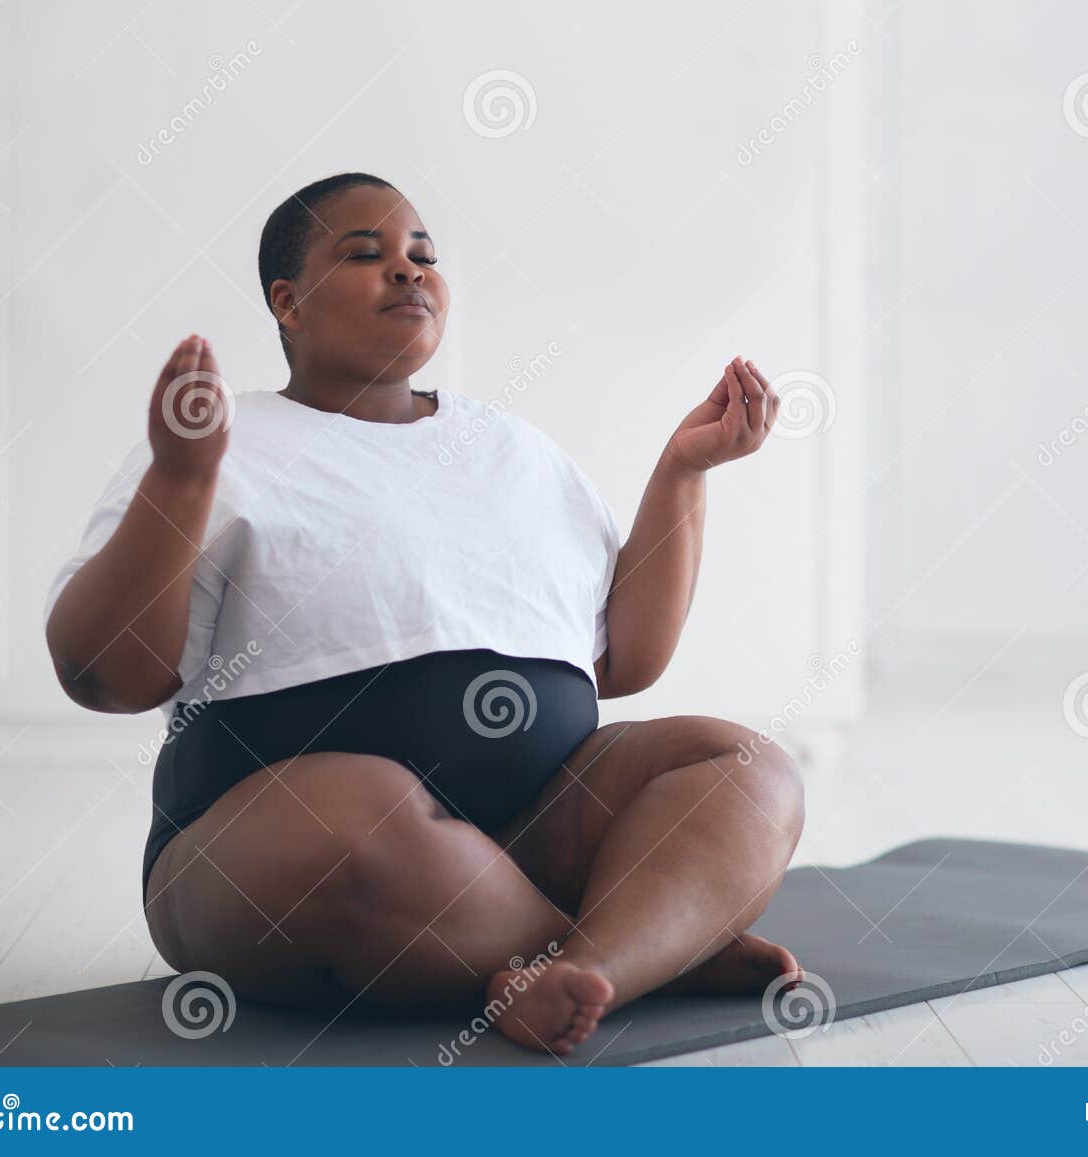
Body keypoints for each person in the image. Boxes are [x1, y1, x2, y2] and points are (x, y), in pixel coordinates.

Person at [43, 172, 804, 1056]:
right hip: (266, 853)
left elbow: (624, 660)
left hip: (529, 836)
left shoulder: (515, 448)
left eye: (423, 257)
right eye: (366, 255)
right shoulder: (222, 440)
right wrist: (180, 478)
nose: (407, 272)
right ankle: (647, 948)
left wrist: (683, 470)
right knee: (357, 819)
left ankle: (577, 962)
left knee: (747, 767)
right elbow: (102, 672)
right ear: (287, 302)